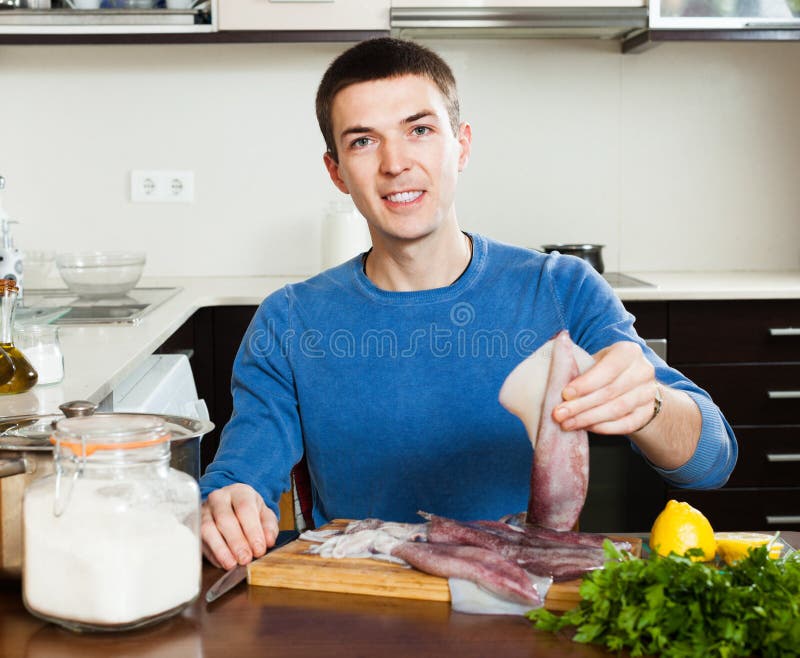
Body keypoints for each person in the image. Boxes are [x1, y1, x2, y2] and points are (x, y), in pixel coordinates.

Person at [199, 38, 737, 571]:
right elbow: (239, 476)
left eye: (420, 130)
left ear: (461, 145)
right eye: (363, 141)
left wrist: (649, 406)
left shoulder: (561, 288)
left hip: (528, 609)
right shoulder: (290, 319)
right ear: (336, 170)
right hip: (362, 605)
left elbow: (710, 461)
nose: (396, 162)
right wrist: (226, 506)